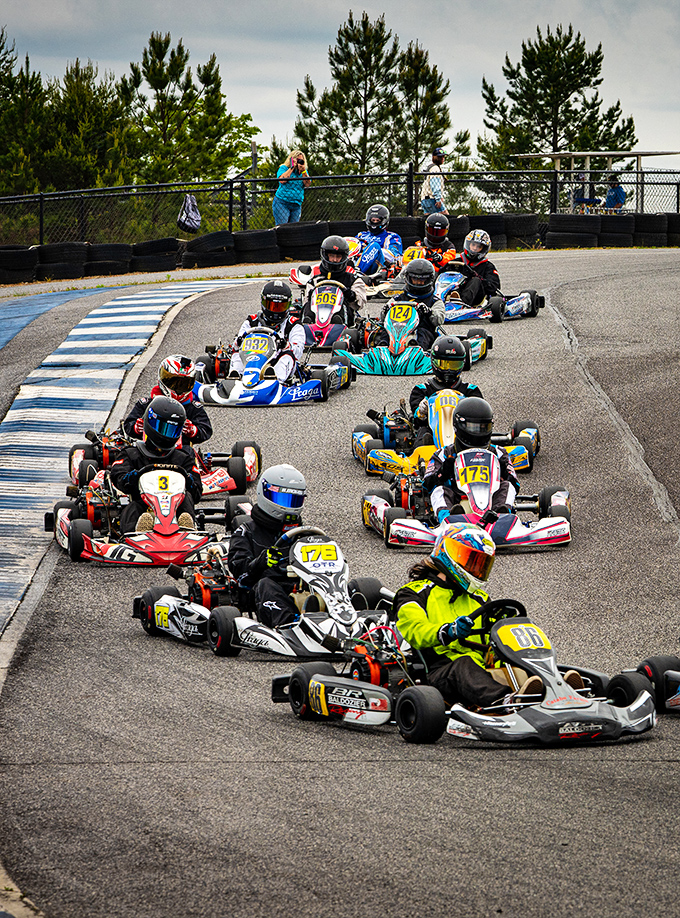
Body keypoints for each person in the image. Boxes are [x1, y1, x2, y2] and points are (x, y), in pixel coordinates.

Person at [394, 522, 544, 707]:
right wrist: (448, 631)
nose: (476, 568)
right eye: (471, 561)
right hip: (439, 673)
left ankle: (556, 689)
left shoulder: (480, 598)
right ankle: (505, 702)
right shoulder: (413, 593)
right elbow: (415, 630)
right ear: (449, 553)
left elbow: (493, 639)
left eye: (481, 563)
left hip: (481, 671)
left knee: (521, 657)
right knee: (463, 665)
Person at [228, 464, 307, 628]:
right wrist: (261, 562)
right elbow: (240, 575)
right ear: (265, 494)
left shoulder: (305, 534)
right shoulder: (246, 531)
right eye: (284, 500)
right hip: (265, 590)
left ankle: (348, 619)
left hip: (300, 587)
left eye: (295, 500)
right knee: (266, 585)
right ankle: (289, 625)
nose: (290, 506)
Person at [110, 396, 203, 533]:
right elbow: (118, 478)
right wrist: (135, 476)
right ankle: (135, 533)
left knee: (186, 498)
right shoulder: (132, 454)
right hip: (143, 505)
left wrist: (187, 479)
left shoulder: (183, 458)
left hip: (175, 508)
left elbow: (197, 493)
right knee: (133, 505)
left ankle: (186, 529)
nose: (168, 435)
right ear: (150, 424)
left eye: (173, 430)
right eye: (164, 428)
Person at [423, 396, 519, 524]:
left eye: (484, 427)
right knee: (439, 489)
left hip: (491, 500)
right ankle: (448, 518)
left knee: (507, 486)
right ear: (458, 426)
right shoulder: (444, 454)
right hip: (457, 499)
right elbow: (427, 484)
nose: (479, 432)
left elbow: (515, 483)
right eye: (474, 427)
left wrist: (505, 473)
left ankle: (502, 516)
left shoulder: (499, 453)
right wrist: (443, 472)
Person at [409, 336, 484, 448]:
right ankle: (424, 455)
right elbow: (416, 420)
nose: (448, 370)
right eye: (444, 364)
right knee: (422, 433)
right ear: (434, 362)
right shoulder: (422, 390)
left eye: (454, 365)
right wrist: (421, 412)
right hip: (432, 431)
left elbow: (480, 417)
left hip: (464, 432)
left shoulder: (470, 390)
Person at [122, 355, 212, 446]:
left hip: (181, 451)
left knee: (190, 453)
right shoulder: (146, 404)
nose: (179, 388)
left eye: (184, 384)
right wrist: (136, 428)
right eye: (174, 383)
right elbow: (128, 425)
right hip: (147, 448)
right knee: (129, 453)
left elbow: (206, 430)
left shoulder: (193, 408)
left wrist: (193, 431)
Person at [228, 280, 305, 384]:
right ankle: (236, 377)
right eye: (272, 306)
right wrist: (238, 342)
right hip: (250, 360)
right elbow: (236, 345)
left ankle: (274, 380)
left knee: (288, 356)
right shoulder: (252, 321)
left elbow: (298, 351)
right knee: (237, 353)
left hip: (276, 362)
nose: (275, 311)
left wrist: (286, 345)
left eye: (280, 307)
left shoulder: (293, 324)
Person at [377, 258, 445, 350]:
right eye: (415, 279)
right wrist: (385, 311)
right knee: (386, 331)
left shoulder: (434, 301)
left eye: (422, 280)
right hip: (397, 330)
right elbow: (382, 318)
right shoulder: (398, 298)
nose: (418, 282)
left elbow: (439, 319)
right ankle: (383, 347)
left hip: (421, 330)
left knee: (422, 332)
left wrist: (429, 312)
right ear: (408, 278)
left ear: (429, 280)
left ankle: (417, 350)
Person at [305, 235, 368, 324]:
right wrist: (312, 295)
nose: (334, 260)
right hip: (316, 317)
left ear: (344, 257)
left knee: (342, 307)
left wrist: (351, 295)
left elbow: (360, 303)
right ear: (325, 256)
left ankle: (337, 322)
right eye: (331, 256)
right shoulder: (314, 281)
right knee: (308, 306)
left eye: (338, 256)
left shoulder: (352, 280)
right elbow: (305, 301)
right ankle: (307, 323)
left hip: (343, 321)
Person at [355, 204, 403, 278]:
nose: (375, 222)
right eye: (373, 220)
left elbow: (394, 256)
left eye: (377, 220)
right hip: (356, 260)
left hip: (379, 267)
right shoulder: (361, 235)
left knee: (375, 246)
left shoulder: (392, 237)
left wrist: (370, 250)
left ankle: (356, 273)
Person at [456, 230, 502, 306]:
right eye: (473, 245)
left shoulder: (488, 266)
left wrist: (479, 278)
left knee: (476, 280)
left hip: (476, 298)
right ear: (468, 244)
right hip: (457, 291)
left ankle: (461, 304)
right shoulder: (457, 262)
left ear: (483, 249)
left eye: (478, 247)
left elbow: (493, 287)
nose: (474, 248)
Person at [272, 150, 311, 225]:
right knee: (283, 226)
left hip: (296, 204)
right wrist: (292, 168)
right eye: (297, 160)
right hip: (282, 202)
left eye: (301, 160)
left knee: (294, 227)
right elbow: (282, 180)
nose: (299, 162)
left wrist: (303, 171)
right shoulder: (284, 168)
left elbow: (307, 184)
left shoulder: (303, 171)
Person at [420, 147, 448, 215]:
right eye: (440, 157)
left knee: (430, 218)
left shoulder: (431, 167)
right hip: (432, 199)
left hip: (424, 199)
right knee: (445, 216)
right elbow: (435, 185)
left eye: (443, 157)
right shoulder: (435, 169)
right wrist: (438, 199)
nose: (442, 158)